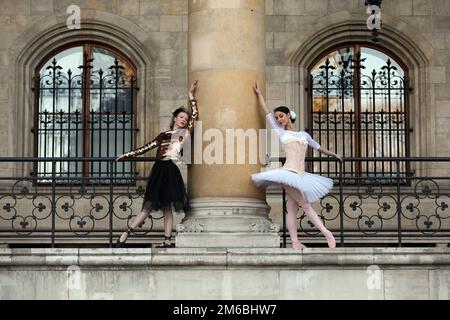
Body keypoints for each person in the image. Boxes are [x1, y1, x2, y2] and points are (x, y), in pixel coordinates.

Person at [251, 82, 342, 249]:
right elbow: (266, 113)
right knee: (305, 204)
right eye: (277, 117)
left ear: (288, 116)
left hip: (301, 175)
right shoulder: (281, 132)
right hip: (288, 174)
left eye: (281, 116)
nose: (278, 119)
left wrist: (334, 154)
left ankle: (294, 242)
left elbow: (318, 147)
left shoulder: (303, 135)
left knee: (292, 209)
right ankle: (326, 233)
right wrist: (259, 95)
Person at [115, 80, 199, 248]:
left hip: (170, 170)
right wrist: (126, 155)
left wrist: (191, 97)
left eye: (185, 118)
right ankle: (124, 236)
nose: (184, 120)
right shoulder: (163, 135)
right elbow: (145, 148)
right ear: (174, 118)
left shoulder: (184, 133)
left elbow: (195, 116)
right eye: (181, 117)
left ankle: (167, 241)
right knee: (147, 206)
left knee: (168, 209)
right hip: (159, 170)